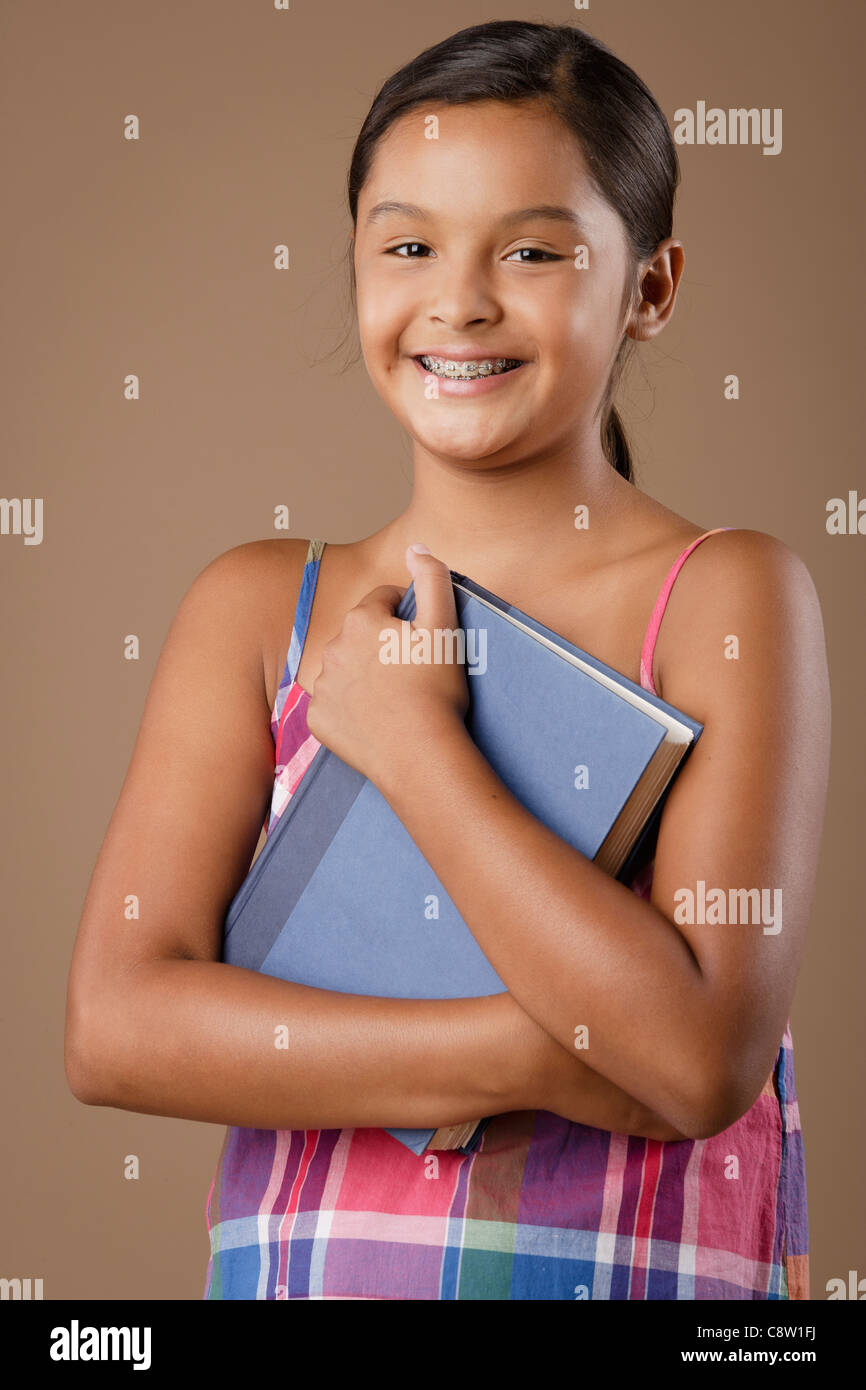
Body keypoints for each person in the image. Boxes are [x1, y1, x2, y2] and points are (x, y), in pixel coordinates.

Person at [65, 19, 830, 1300]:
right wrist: (542, 1052)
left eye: (532, 251)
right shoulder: (263, 609)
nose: (459, 299)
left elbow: (698, 1064)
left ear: (648, 286)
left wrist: (414, 745)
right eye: (408, 245)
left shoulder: (723, 596)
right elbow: (118, 1030)